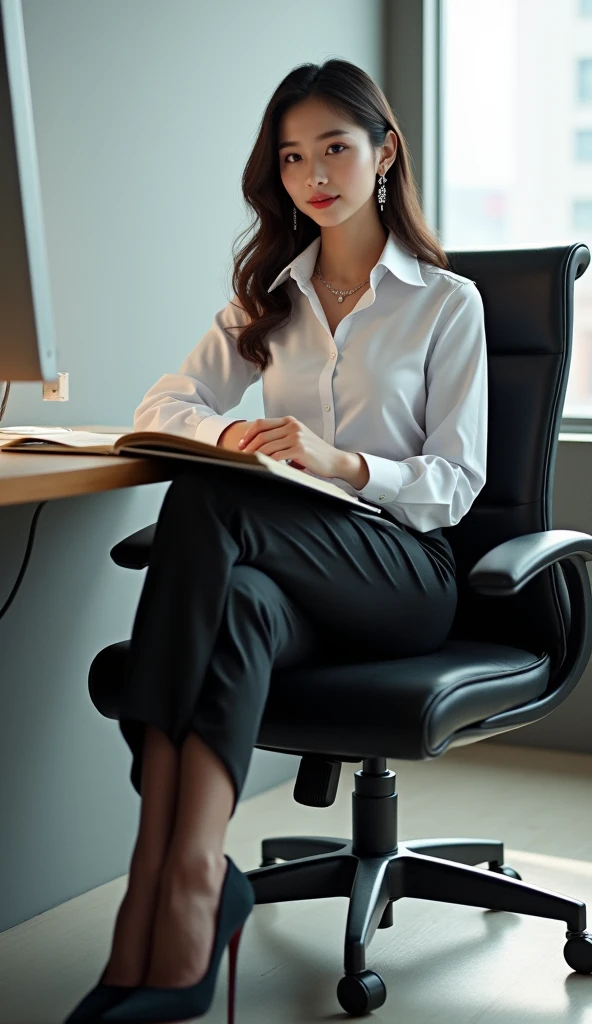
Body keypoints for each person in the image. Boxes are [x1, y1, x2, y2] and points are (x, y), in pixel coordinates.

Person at [64, 57, 487, 1024]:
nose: (314, 177)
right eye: (293, 159)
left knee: (210, 508)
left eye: (334, 148)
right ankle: (195, 885)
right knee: (237, 594)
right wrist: (234, 434)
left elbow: (456, 487)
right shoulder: (271, 296)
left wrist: (334, 463)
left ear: (384, 152)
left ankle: (157, 882)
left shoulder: (444, 303)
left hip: (403, 571)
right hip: (289, 581)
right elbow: (166, 402)